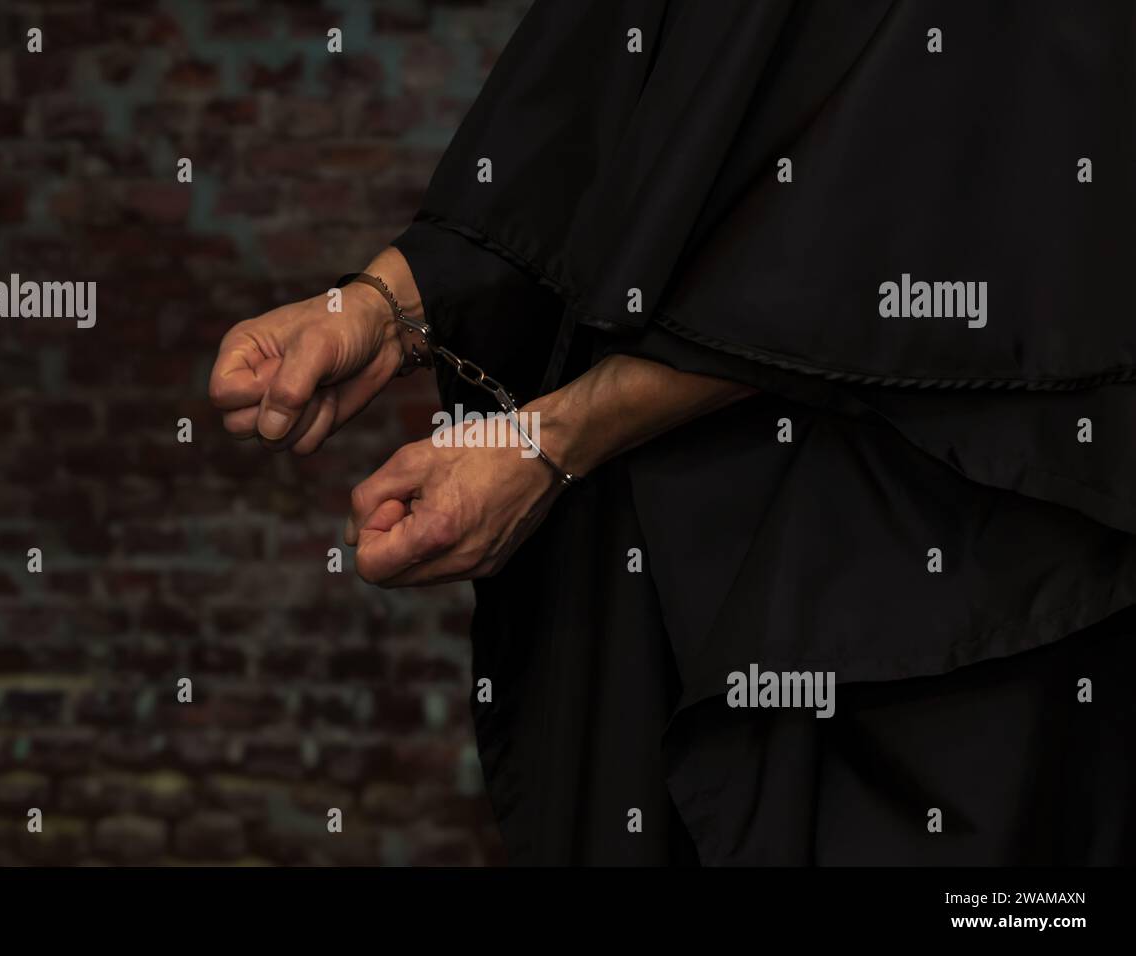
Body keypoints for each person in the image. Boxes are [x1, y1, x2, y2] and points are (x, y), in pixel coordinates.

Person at [210, 0, 1136, 865]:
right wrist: (390, 301)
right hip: (660, 545)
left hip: (936, 565)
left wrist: (555, 438)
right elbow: (615, 78)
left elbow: (919, 229)